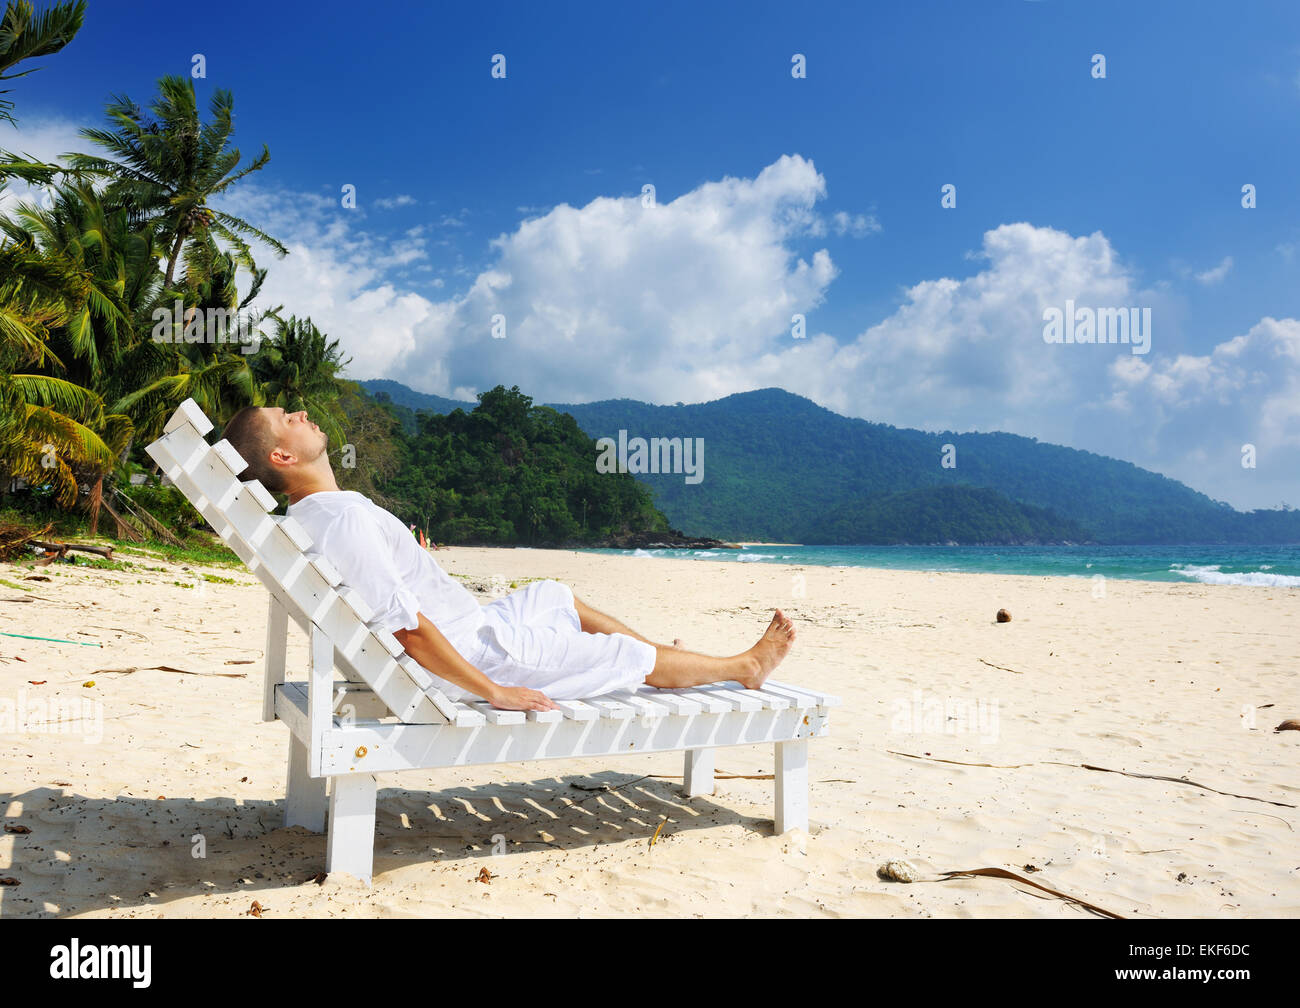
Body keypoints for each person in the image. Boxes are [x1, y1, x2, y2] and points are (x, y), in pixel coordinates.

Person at [220, 406, 796, 712]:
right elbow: (407, 629)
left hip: (476, 629)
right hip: (475, 656)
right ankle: (740, 668)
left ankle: (664, 660)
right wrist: (492, 690)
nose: (299, 412)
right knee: (621, 652)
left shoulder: (323, 511)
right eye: (286, 418)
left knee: (552, 594)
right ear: (280, 453)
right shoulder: (338, 517)